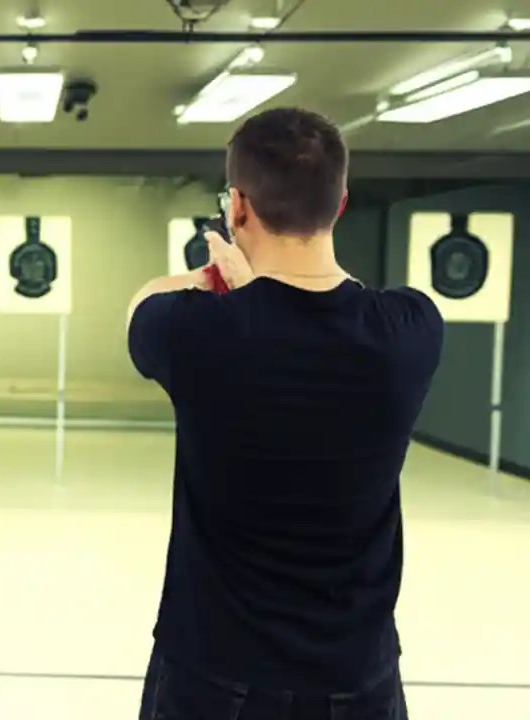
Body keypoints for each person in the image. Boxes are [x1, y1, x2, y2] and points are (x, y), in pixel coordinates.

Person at [127, 108, 442, 719]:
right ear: (342, 202)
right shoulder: (413, 328)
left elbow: (142, 305)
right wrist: (256, 298)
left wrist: (222, 281)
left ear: (237, 207)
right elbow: (325, 317)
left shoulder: (198, 335)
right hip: (357, 676)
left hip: (213, 674)